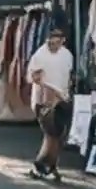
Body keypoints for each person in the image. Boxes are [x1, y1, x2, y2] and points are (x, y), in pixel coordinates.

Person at [27, 27, 74, 181]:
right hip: (44, 100)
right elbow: (35, 77)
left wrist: (64, 95)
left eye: (57, 41)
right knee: (50, 134)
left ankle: (51, 166)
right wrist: (50, 94)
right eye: (51, 41)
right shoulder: (40, 55)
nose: (53, 44)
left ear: (62, 41)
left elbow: (68, 76)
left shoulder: (67, 55)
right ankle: (39, 165)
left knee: (60, 135)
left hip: (62, 97)